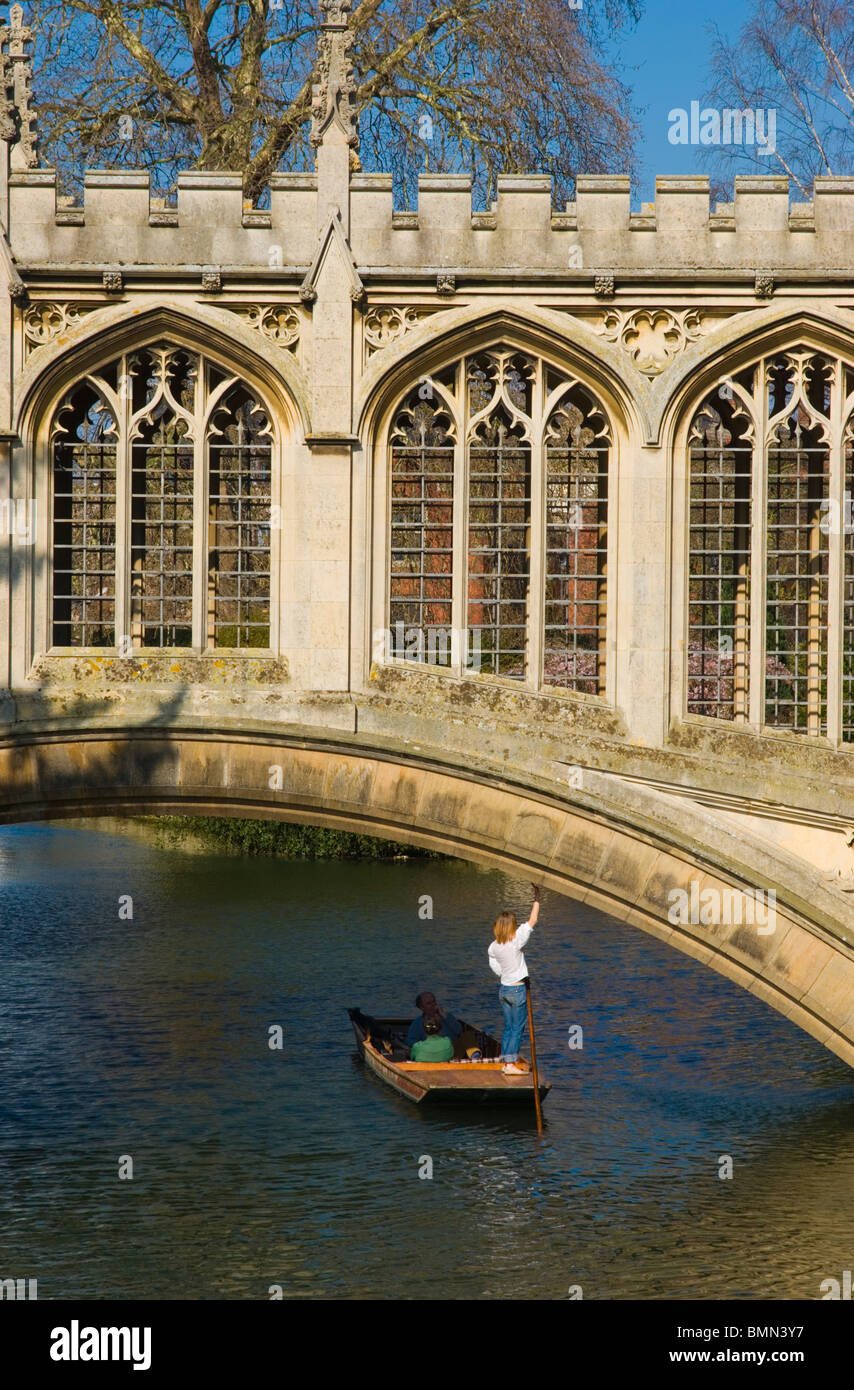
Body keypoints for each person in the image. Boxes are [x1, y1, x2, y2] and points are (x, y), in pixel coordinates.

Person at [487, 884, 541, 1075]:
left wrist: (502, 973)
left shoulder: (494, 946)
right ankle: (509, 1064)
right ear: (511, 926)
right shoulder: (516, 940)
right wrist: (537, 898)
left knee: (509, 1027)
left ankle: (506, 1060)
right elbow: (533, 919)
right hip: (517, 990)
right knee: (517, 1029)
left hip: (504, 989)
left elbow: (494, 964)